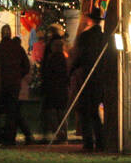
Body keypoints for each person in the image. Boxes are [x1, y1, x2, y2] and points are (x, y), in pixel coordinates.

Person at [70, 8, 110, 152]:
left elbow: (78, 57)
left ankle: (88, 142)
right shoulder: (104, 37)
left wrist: (71, 70)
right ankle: (100, 141)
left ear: (89, 20)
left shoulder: (85, 37)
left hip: (86, 76)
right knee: (94, 111)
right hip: (100, 78)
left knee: (84, 111)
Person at [0, 24, 34, 146]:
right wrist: (18, 75)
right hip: (14, 84)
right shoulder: (18, 48)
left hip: (1, 83)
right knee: (12, 111)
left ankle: (0, 136)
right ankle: (10, 137)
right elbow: (26, 66)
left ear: (1, 34)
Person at [40, 24, 70, 143]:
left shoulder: (53, 57)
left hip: (54, 87)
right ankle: (62, 133)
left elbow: (48, 72)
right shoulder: (61, 57)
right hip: (60, 87)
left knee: (53, 111)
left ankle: (59, 133)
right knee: (60, 111)